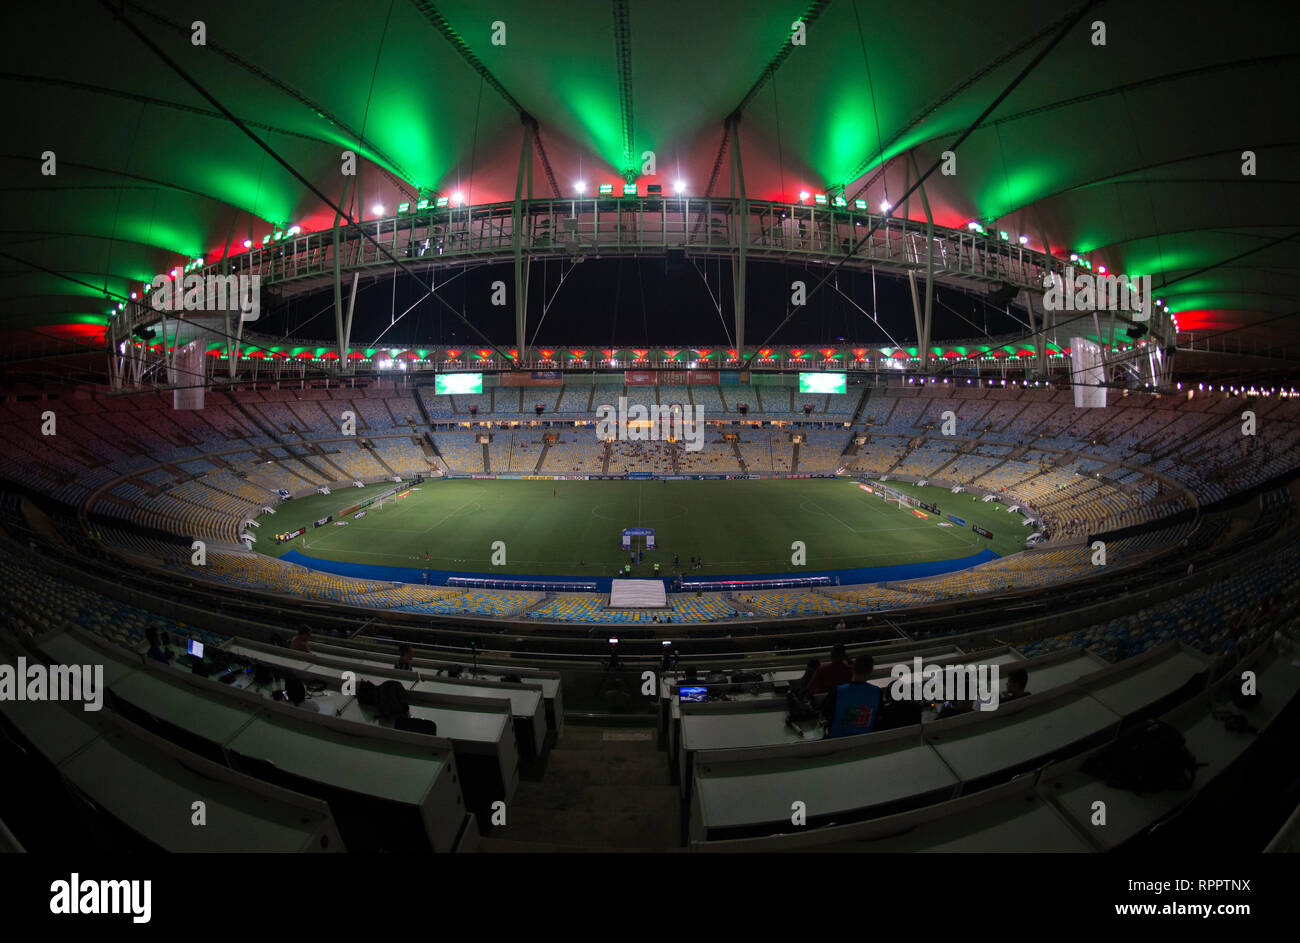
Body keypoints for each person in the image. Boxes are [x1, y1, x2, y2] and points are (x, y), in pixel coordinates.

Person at [822, 654, 881, 738]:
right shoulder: (877, 692)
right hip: (864, 740)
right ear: (871, 671)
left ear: (852, 668)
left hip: (836, 740)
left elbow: (825, 712)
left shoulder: (838, 691)